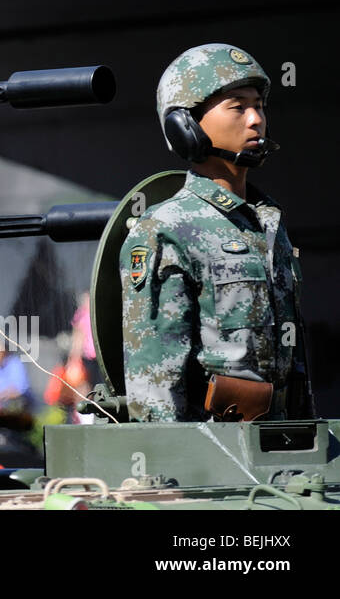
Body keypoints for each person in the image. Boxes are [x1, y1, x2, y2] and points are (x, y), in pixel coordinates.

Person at [120, 43, 314, 422]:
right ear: (186, 126)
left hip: (282, 446)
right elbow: (155, 380)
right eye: (238, 106)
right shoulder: (165, 229)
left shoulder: (267, 224)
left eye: (259, 105)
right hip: (214, 453)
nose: (256, 119)